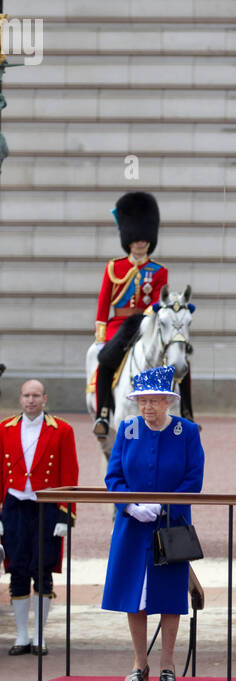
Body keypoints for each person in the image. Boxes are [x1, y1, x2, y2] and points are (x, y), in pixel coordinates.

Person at [102, 366, 204, 681]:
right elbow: (113, 477)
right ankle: (139, 661)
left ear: (168, 402)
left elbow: (193, 478)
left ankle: (168, 662)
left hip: (171, 525)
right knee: (136, 593)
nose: (147, 408)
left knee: (170, 592)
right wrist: (130, 505)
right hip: (133, 526)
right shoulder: (128, 429)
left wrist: (162, 504)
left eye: (154, 401)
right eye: (143, 401)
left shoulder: (186, 431)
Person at [0, 380, 79, 656]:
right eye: (26, 396)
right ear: (20, 399)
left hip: (46, 507)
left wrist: (65, 514)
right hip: (14, 506)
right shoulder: (4, 429)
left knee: (42, 571)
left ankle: (39, 635)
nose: (31, 400)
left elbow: (69, 474)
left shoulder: (62, 430)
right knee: (17, 569)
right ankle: (21, 635)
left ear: (44, 398)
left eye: (36, 396)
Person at [93, 192, 168, 439]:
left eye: (144, 238)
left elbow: (157, 301)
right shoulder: (115, 267)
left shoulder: (158, 270)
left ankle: (187, 411)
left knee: (180, 363)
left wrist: (147, 319)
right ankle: (103, 413)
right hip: (118, 325)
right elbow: (104, 302)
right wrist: (101, 335)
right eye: (136, 238)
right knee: (105, 362)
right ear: (128, 239)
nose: (140, 242)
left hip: (146, 324)